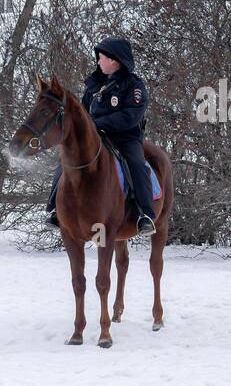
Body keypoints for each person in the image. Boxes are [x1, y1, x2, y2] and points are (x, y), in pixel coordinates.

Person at [46, 37, 156, 237]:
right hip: (94, 138)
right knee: (64, 162)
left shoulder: (134, 86)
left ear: (114, 60)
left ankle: (144, 215)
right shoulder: (94, 85)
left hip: (125, 138)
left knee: (137, 164)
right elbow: (82, 113)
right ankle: (53, 209)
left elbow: (130, 116)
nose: (98, 62)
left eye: (101, 58)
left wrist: (97, 124)